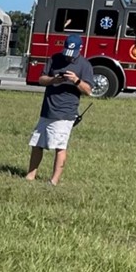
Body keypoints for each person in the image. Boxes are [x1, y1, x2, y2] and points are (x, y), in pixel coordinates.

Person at [25, 34, 93, 185]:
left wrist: (76, 80)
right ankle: (30, 176)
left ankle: (54, 181)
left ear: (80, 49)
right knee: (36, 144)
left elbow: (88, 90)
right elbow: (41, 79)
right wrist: (53, 80)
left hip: (66, 113)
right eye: (67, 53)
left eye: (72, 54)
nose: (68, 58)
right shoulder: (54, 59)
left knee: (59, 146)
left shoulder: (85, 65)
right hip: (47, 110)